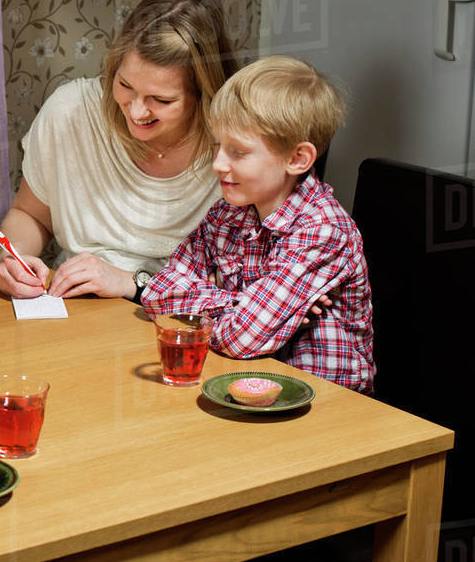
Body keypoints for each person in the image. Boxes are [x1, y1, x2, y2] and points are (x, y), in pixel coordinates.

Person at [140, 55, 375, 393]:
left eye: (237, 152)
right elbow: (158, 292)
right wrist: (240, 302)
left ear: (297, 159)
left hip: (322, 407)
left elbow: (241, 338)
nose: (218, 163)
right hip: (241, 386)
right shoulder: (226, 214)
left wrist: (221, 312)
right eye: (218, 145)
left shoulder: (323, 231)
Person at [0, 0, 240, 301]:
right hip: (78, 311)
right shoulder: (70, 112)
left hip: (184, 320)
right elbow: (29, 215)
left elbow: (242, 283)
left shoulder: (237, 145)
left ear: (204, 93)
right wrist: (11, 261)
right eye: (124, 84)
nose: (136, 111)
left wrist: (131, 281)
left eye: (161, 100)